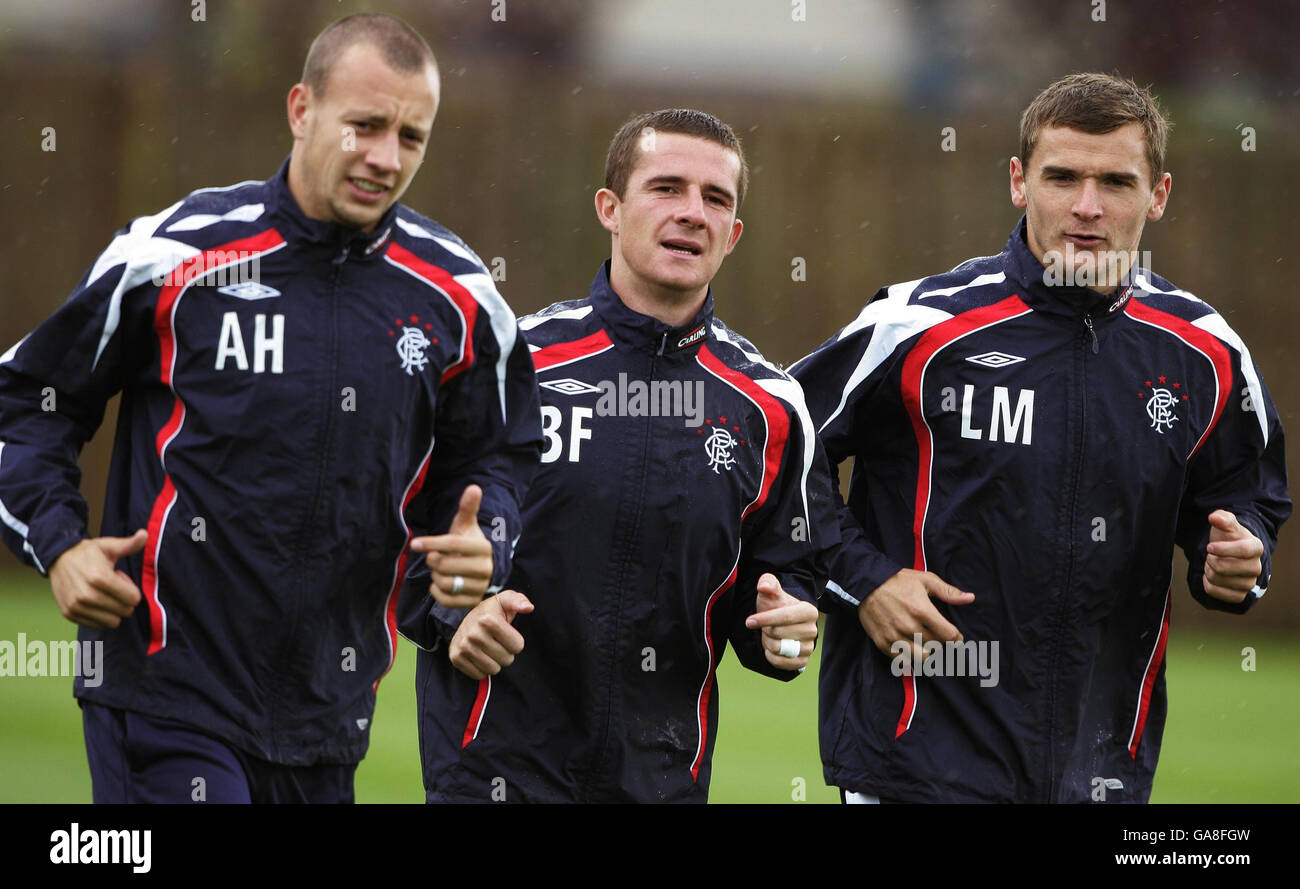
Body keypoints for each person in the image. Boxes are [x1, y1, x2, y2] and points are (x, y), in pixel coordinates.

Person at [0, 13, 542, 803]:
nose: (385, 158)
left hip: (332, 715)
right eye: (364, 125)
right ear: (301, 110)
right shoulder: (177, 256)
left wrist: (484, 537)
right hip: (164, 691)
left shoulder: (459, 299)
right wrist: (60, 543)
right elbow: (26, 400)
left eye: (411, 137)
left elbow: (499, 455)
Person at [790, 72, 1290, 804]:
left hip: (1101, 770)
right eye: (1063, 177)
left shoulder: (1205, 354)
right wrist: (863, 580)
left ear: (1159, 194)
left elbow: (1246, 497)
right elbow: (773, 452)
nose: (1087, 208)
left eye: (1116, 182)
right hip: (914, 761)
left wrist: (1243, 555)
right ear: (1021, 182)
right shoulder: (917, 327)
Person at [399, 109, 839, 803]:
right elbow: (403, 530)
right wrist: (454, 614)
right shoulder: (513, 365)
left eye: (715, 198)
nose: (692, 213)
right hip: (491, 771)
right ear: (610, 207)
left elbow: (785, 582)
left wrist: (785, 630)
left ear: (735, 233)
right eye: (667, 188)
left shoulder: (771, 408)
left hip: (663, 782)